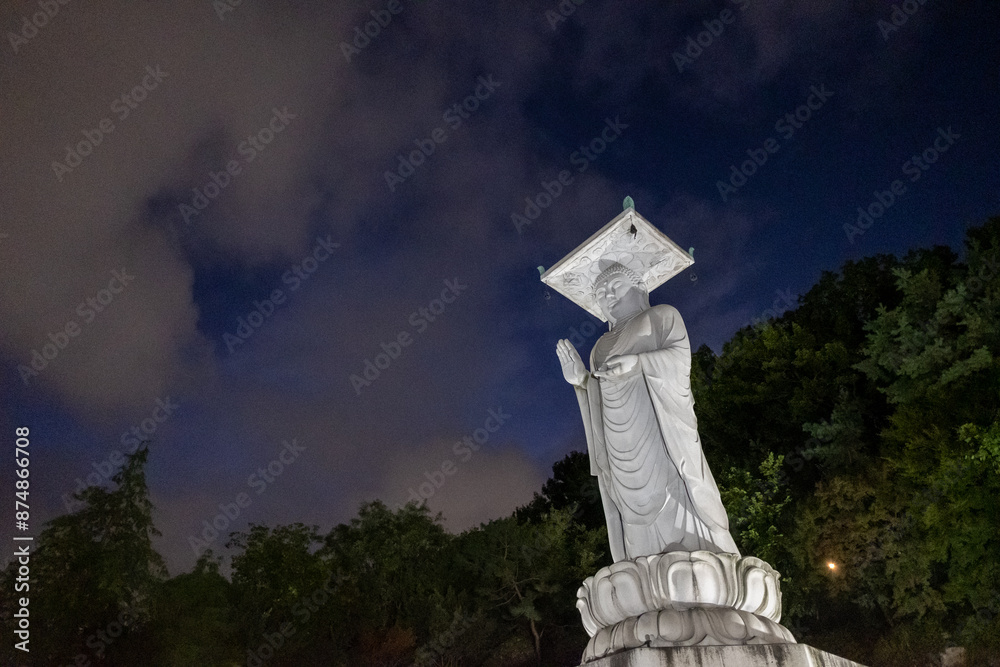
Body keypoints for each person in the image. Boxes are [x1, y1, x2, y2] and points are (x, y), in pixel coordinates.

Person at [556, 262, 739, 562]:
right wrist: (581, 380)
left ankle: (698, 556)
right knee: (630, 503)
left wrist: (639, 364)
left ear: (639, 288)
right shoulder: (599, 347)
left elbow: (680, 360)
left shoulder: (661, 316)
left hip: (659, 428)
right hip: (619, 442)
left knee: (672, 487)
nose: (608, 296)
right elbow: (598, 391)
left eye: (615, 287)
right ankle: (641, 565)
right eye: (601, 294)